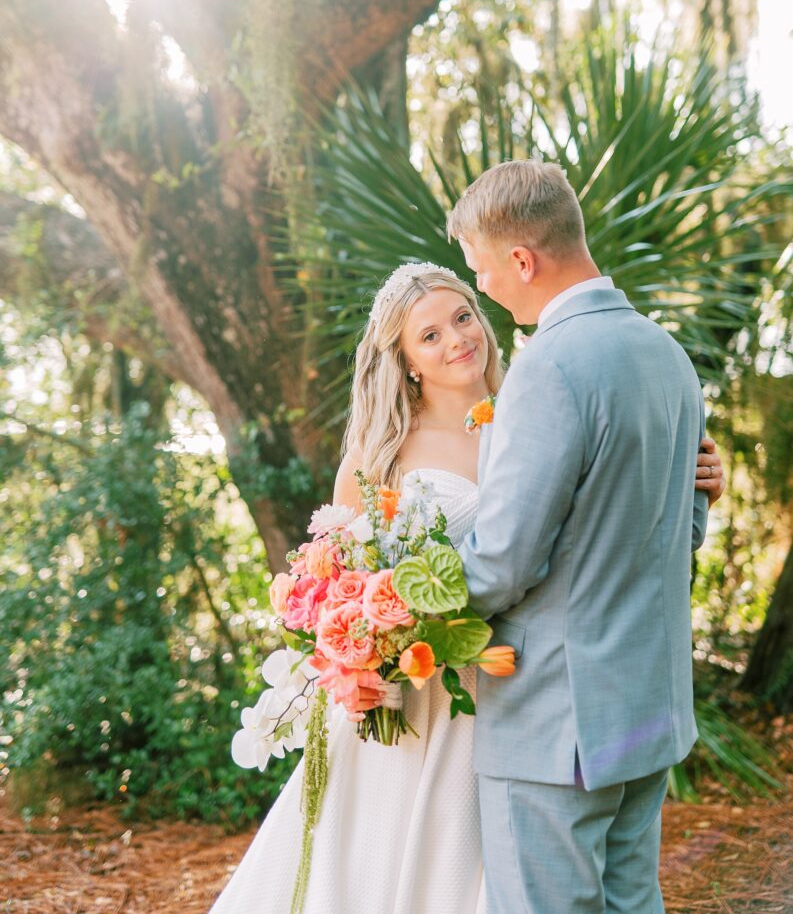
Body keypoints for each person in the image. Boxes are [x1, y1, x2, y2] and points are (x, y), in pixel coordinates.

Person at [208, 260, 724, 914]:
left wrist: (692, 484)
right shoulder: (379, 456)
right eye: (428, 335)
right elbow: (339, 592)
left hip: (524, 689)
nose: (456, 339)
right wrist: (357, 662)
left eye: (461, 317)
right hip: (417, 701)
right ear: (405, 361)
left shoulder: (537, 412)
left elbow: (612, 529)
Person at [449, 159, 714, 913]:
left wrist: (402, 615)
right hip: (646, 708)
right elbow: (683, 528)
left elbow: (503, 558)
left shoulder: (548, 368)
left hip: (555, 721)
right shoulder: (668, 358)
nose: (487, 290)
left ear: (522, 260)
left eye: (483, 271)